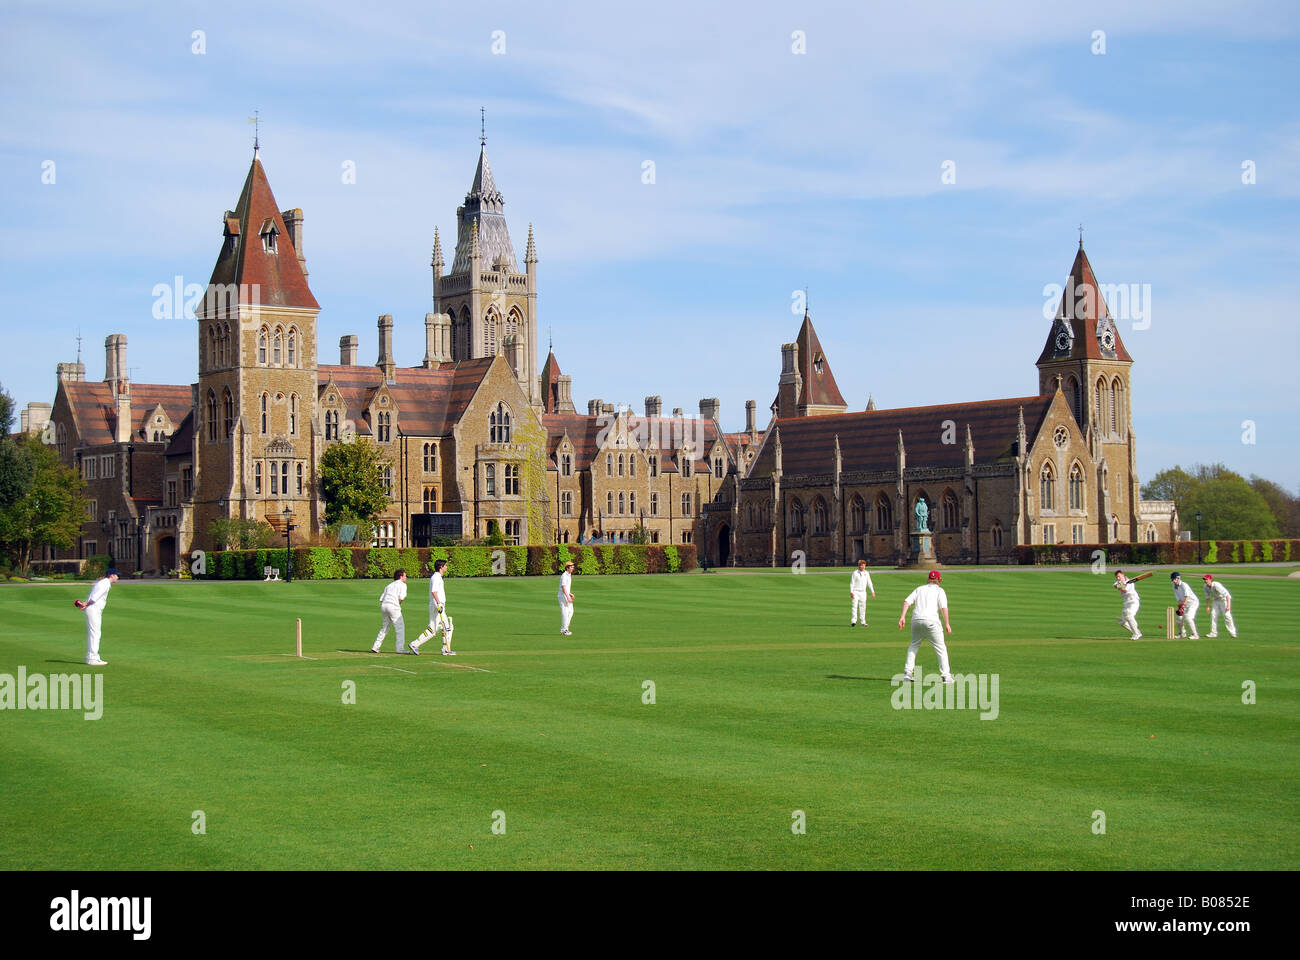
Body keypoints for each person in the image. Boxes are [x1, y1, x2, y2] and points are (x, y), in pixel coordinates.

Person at [898, 570, 953, 683]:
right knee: (941, 648)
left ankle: (908, 674)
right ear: (939, 580)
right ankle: (946, 676)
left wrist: (902, 617)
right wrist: (947, 623)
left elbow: (906, 602)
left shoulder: (920, 588)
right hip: (931, 621)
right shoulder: (940, 591)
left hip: (916, 620)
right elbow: (944, 608)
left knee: (914, 645)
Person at [74, 568, 119, 666]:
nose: (118, 577)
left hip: (94, 609)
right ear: (111, 575)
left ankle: (94, 657)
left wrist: (85, 604)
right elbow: (94, 597)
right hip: (93, 610)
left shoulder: (104, 583)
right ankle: (92, 658)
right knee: (95, 633)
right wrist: (86, 604)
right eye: (116, 575)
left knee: (95, 633)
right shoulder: (105, 583)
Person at [411, 559, 455, 655]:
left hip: (436, 605)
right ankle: (446, 649)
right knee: (448, 627)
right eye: (445, 566)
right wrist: (439, 604)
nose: (446, 567)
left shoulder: (437, 577)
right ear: (441, 567)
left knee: (433, 629)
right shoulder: (436, 577)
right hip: (437, 605)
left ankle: (414, 644)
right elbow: (434, 591)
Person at [371, 569, 408, 653]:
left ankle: (375, 646)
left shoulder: (389, 585)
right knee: (400, 627)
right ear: (401, 576)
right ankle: (400, 648)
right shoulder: (403, 585)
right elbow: (401, 598)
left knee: (385, 627)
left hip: (384, 606)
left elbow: (381, 599)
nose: (406, 577)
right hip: (393, 606)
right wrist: (396, 605)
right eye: (405, 576)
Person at [1170, 571, 1199, 639]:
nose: (1173, 581)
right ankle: (1182, 634)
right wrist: (1180, 606)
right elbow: (1179, 599)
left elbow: (1187, 597)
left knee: (1188, 618)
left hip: (1193, 603)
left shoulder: (1184, 585)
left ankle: (1195, 635)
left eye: (1174, 579)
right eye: (1172, 579)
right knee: (1179, 619)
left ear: (1178, 578)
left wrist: (1183, 606)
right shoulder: (1174, 587)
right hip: (1184, 604)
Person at [1113, 570, 1141, 640]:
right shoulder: (1120, 582)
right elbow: (1115, 585)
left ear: (1123, 575)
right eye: (1117, 577)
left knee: (1129, 616)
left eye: (1119, 576)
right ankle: (1137, 632)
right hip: (1126, 603)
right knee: (1123, 622)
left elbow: (1125, 590)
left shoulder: (1130, 583)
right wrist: (1122, 584)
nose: (1118, 578)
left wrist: (1122, 585)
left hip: (1134, 601)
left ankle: (1136, 634)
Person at [850, 559, 876, 627]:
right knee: (854, 606)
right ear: (859, 566)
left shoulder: (866, 573)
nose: (863, 567)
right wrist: (851, 592)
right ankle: (853, 621)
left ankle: (863, 622)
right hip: (856, 591)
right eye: (862, 565)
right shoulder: (855, 573)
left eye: (864, 565)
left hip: (863, 592)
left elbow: (869, 583)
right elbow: (852, 583)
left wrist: (872, 591)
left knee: (863, 607)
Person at [558, 560, 575, 635]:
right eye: (571, 567)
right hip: (563, 597)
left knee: (570, 612)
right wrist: (568, 597)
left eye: (573, 567)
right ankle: (564, 630)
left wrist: (570, 594)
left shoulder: (569, 575)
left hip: (566, 595)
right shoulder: (564, 576)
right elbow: (563, 587)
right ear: (567, 568)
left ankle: (564, 629)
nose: (573, 568)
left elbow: (566, 587)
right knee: (565, 613)